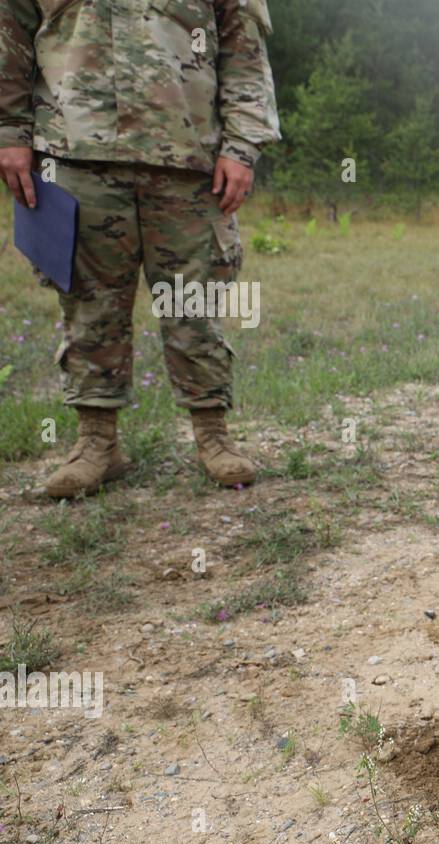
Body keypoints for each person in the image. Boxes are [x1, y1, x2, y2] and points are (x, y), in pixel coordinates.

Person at [0, 0, 280, 496]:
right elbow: (11, 31)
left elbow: (242, 43)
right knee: (89, 302)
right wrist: (9, 131)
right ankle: (96, 444)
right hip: (74, 147)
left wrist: (241, 145)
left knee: (195, 300)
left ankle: (213, 435)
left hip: (187, 152)